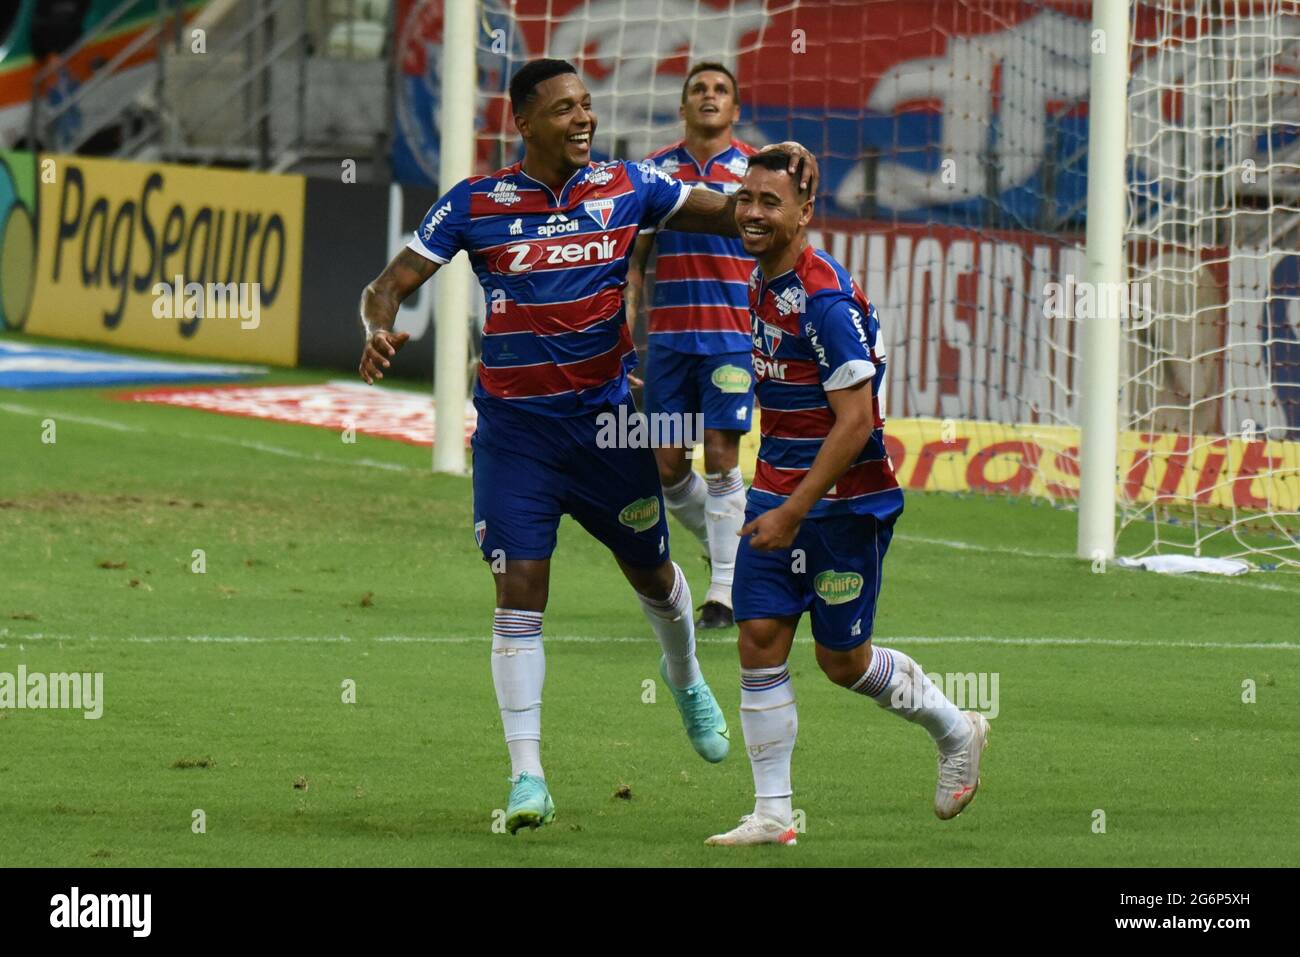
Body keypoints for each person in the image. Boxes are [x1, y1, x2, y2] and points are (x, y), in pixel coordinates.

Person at [357, 59, 818, 835]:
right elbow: (390, 282)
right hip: (516, 438)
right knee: (520, 589)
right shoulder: (475, 203)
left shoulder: (627, 186)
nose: (583, 119)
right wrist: (374, 326)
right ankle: (527, 774)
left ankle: (685, 677)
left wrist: (781, 187)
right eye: (565, 108)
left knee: (654, 573)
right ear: (524, 123)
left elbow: (729, 211)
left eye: (588, 105)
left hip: (608, 430)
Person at [705, 150, 989, 847]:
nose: (751, 213)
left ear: (804, 214)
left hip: (843, 504)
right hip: (777, 487)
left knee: (843, 661)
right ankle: (773, 811)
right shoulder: (760, 276)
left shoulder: (824, 300)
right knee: (759, 637)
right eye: (746, 199)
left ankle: (957, 729)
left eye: (769, 202)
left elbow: (857, 421)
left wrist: (794, 509)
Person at [626, 62, 756, 630]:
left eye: (720, 90)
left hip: (730, 339)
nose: (709, 96)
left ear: (735, 110)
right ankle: (729, 544)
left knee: (722, 454)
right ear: (683, 108)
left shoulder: (756, 172)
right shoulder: (656, 174)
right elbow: (634, 266)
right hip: (670, 342)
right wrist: (623, 341)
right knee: (667, 464)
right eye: (698, 89)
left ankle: (724, 590)